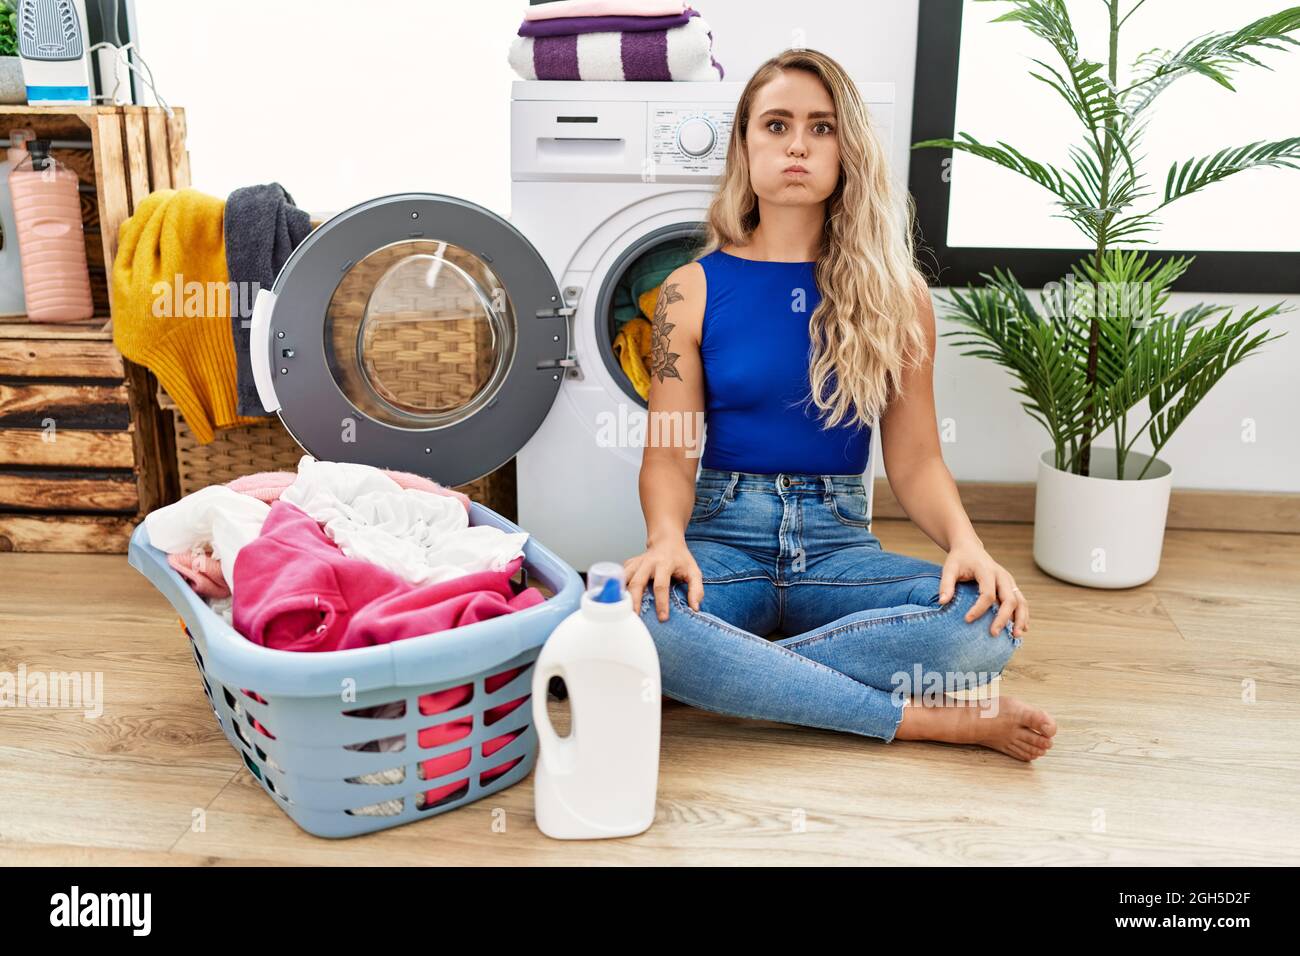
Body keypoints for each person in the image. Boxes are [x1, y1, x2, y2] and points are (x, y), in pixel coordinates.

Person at [623, 49, 1058, 762]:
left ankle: (726, 670)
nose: (798, 143)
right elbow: (669, 450)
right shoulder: (688, 290)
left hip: (838, 548)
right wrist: (666, 540)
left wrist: (968, 545)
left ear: (845, 150)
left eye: (821, 128)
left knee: (986, 630)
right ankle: (925, 720)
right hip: (724, 540)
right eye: (777, 124)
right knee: (644, 620)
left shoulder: (900, 295)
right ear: (745, 145)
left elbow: (916, 462)